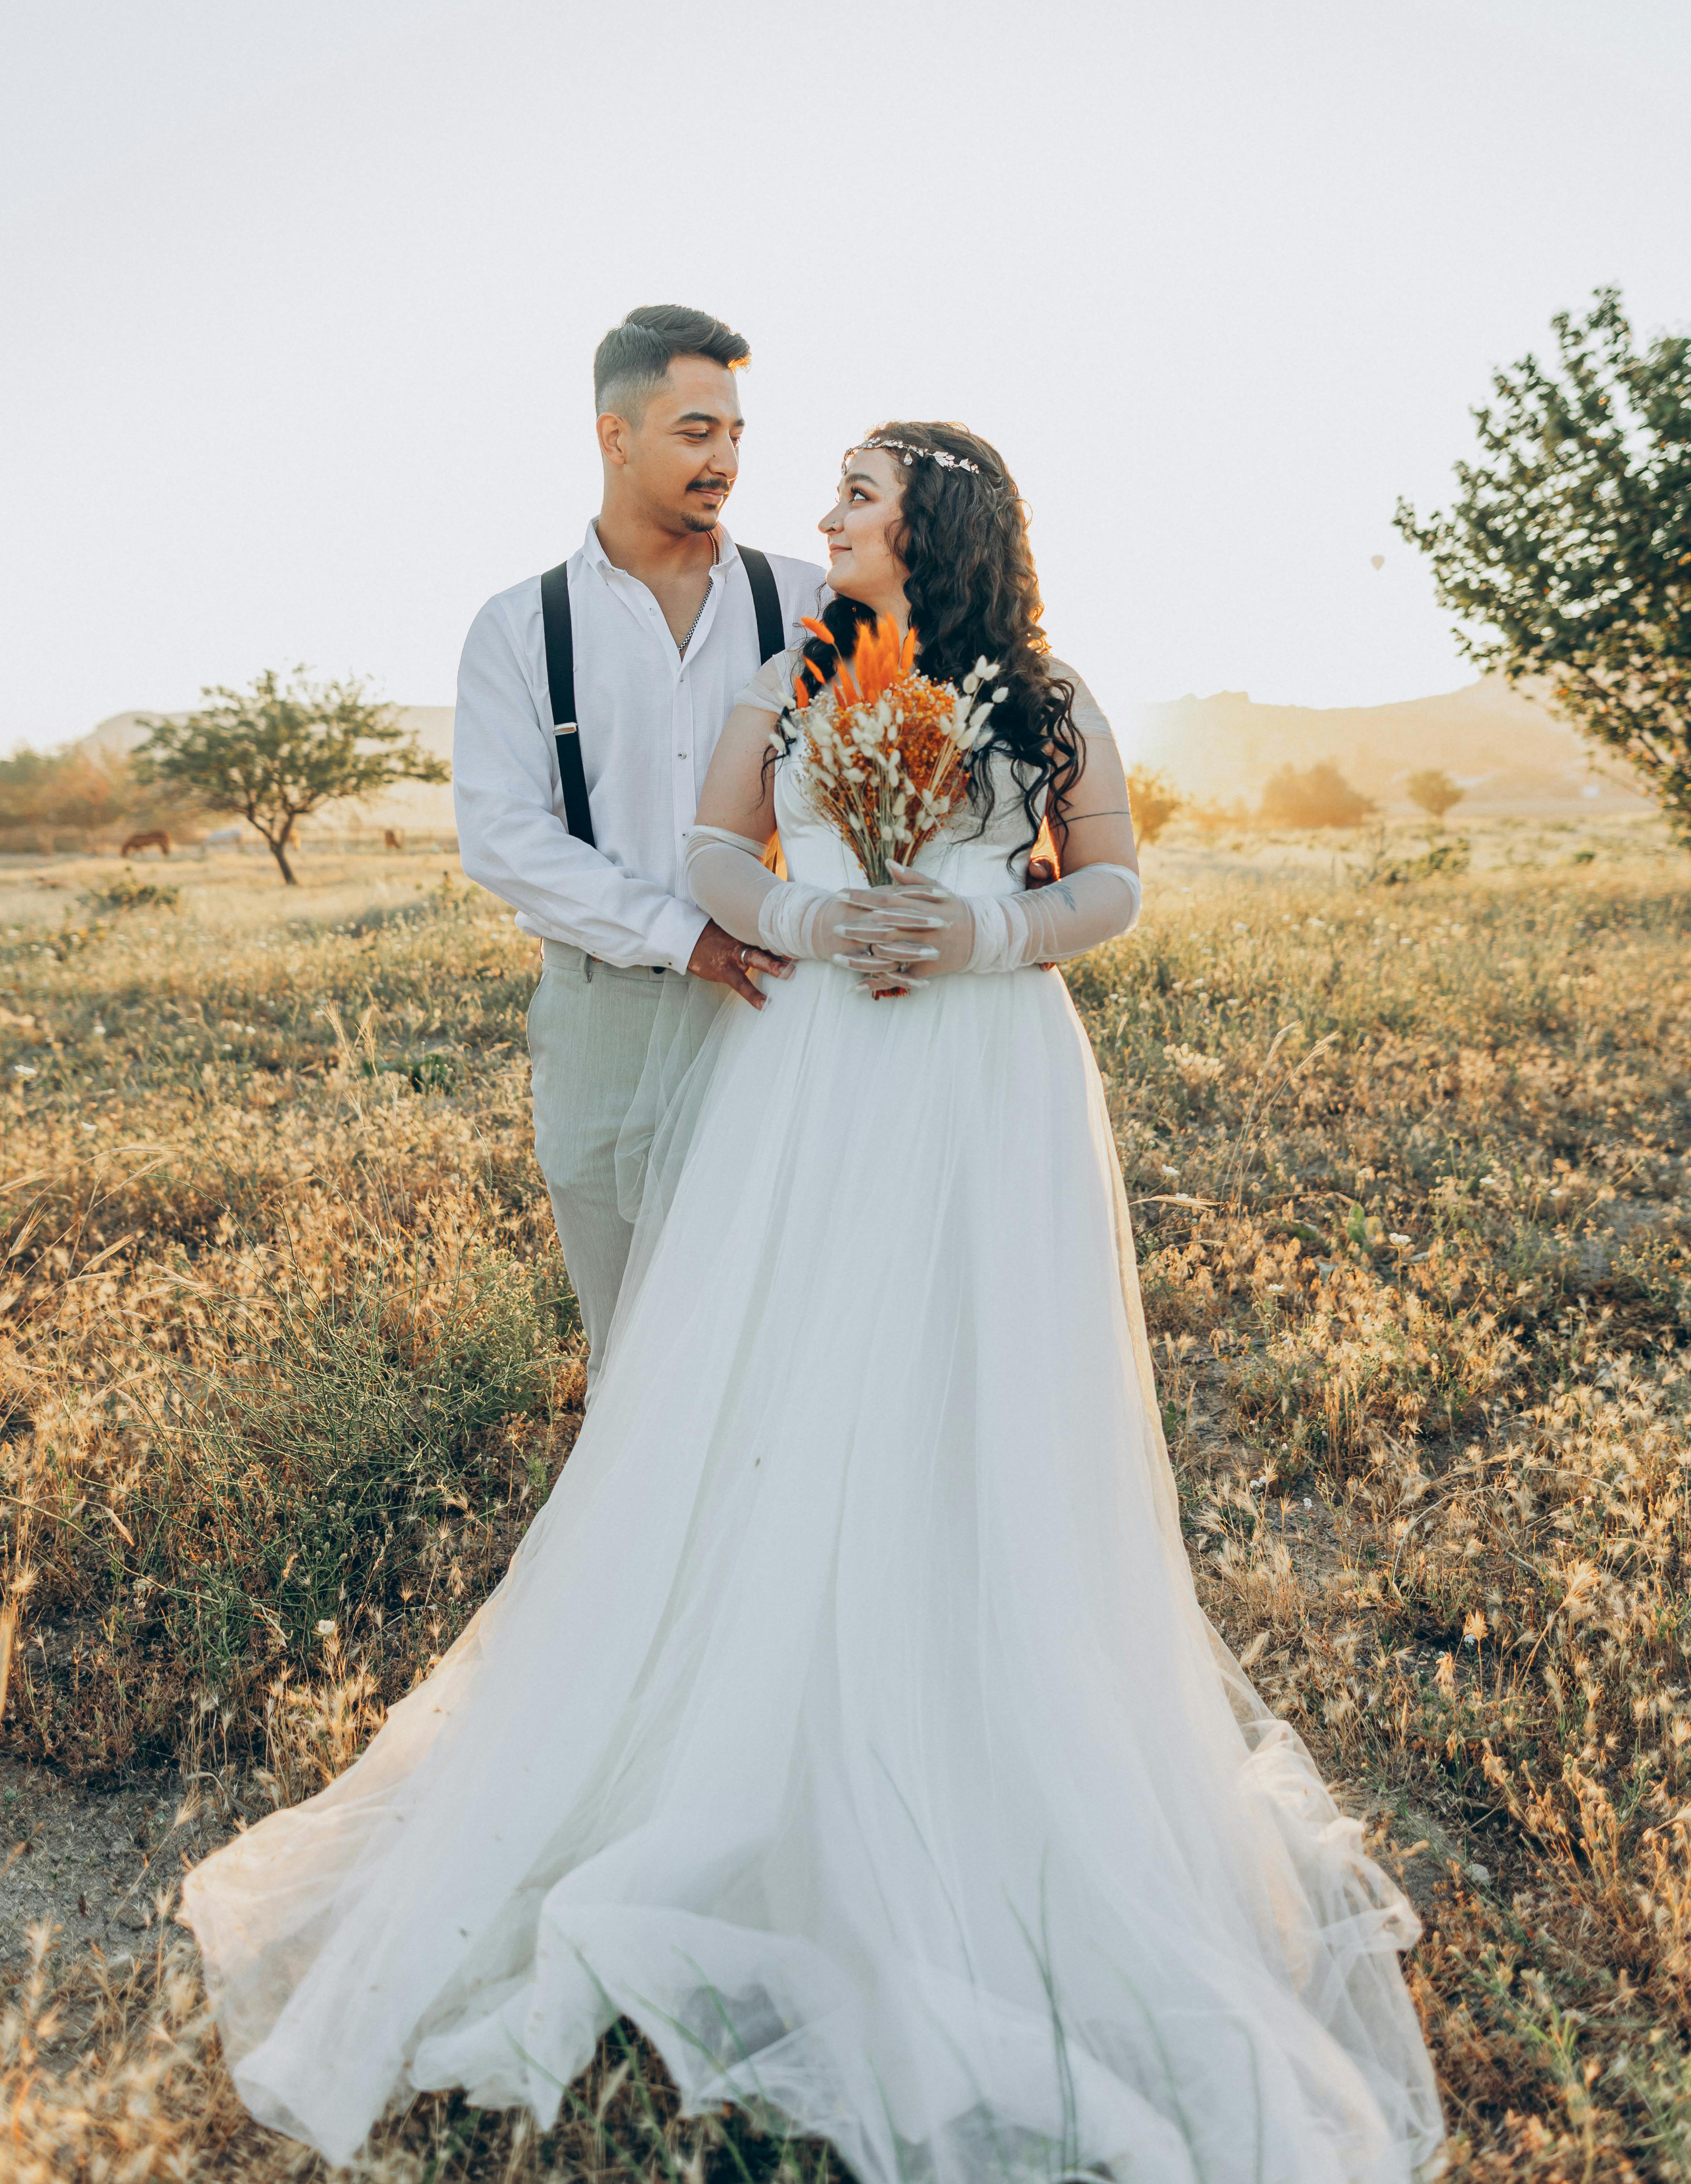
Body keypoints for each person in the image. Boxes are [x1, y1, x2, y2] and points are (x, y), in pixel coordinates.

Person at [183, 422, 1444, 2183]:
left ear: (928, 520)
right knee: (780, 1381)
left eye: (853, 492)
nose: (821, 513)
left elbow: (1111, 883)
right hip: (819, 1072)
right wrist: (796, 910)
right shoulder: (793, 673)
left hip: (985, 1070)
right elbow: (705, 856)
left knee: (978, 1380)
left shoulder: (1046, 685)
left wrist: (988, 932)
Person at [452, 304, 825, 1377]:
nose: (728, 460)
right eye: (697, 431)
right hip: (604, 1013)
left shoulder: (805, 602)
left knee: (781, 1326)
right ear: (615, 437)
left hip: (782, 1004)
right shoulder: (519, 628)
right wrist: (682, 934)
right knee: (635, 1349)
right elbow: (504, 838)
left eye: (738, 434)